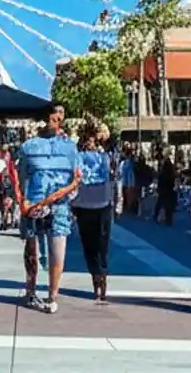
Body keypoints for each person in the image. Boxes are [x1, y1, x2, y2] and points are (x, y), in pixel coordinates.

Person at [13, 105, 80, 314]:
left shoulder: (70, 148)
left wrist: (67, 196)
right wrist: (21, 200)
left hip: (59, 206)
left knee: (57, 250)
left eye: (61, 118)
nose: (58, 121)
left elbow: (76, 178)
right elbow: (20, 176)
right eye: (53, 118)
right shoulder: (29, 147)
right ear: (44, 120)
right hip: (33, 202)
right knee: (32, 250)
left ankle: (53, 294)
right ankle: (30, 289)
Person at [72, 122, 115, 304]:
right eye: (87, 140)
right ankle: (96, 278)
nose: (90, 143)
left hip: (102, 204)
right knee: (90, 246)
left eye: (92, 140)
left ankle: (101, 277)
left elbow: (114, 178)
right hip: (84, 205)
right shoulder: (77, 157)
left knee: (102, 245)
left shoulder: (105, 156)